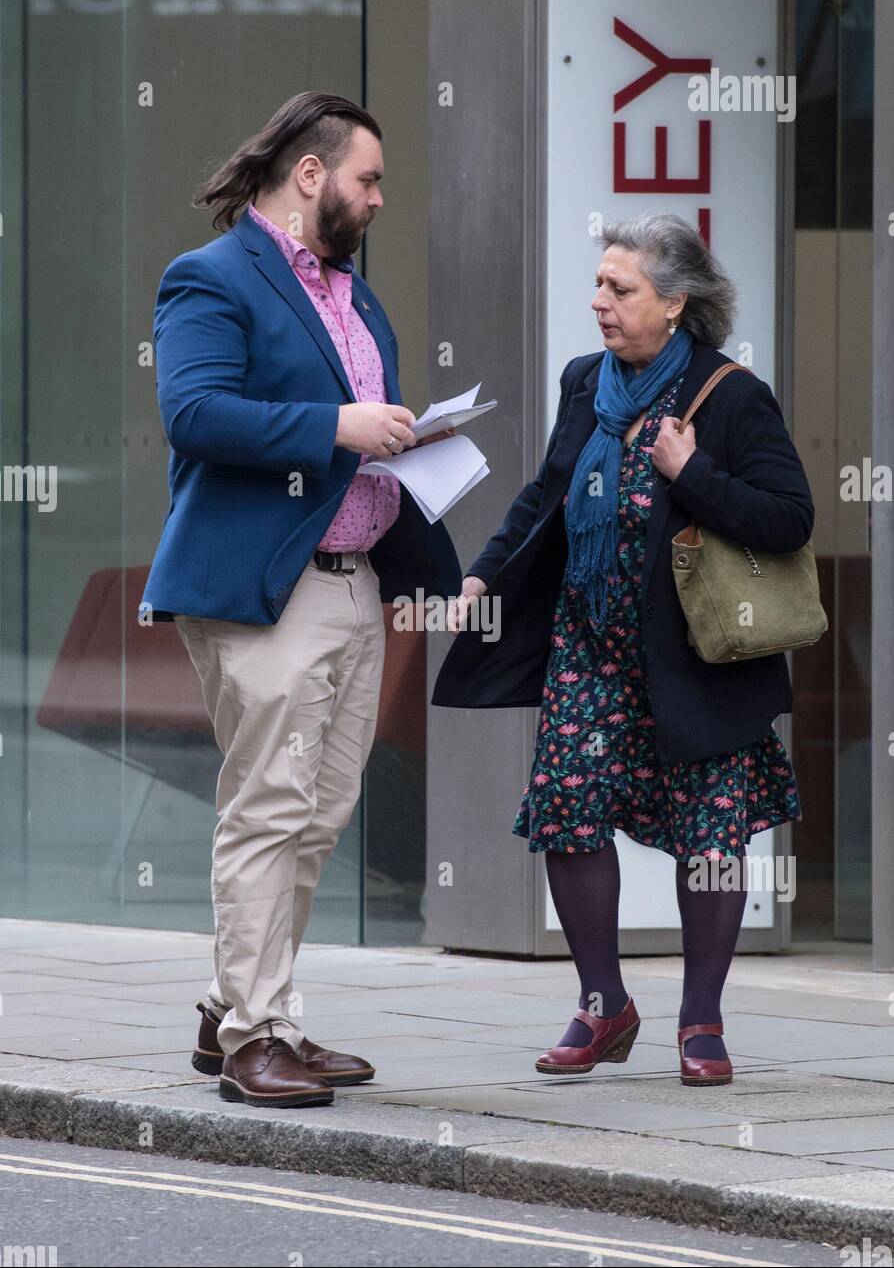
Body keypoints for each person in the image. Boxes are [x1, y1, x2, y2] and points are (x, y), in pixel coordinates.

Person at [433, 213, 815, 1086]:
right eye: (599, 284)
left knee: (710, 833)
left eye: (620, 288)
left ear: (675, 303)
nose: (598, 302)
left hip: (697, 655)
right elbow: (547, 495)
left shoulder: (730, 395)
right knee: (568, 810)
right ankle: (603, 1005)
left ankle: (702, 1021)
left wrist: (693, 475)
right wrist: (483, 577)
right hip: (589, 645)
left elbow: (790, 518)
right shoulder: (584, 384)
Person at [141, 92, 461, 1108]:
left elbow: (365, 436)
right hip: (267, 587)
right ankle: (254, 1038)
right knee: (269, 807)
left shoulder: (355, 300)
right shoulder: (212, 276)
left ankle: (239, 1002)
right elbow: (194, 412)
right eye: (367, 179)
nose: (377, 199)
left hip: (355, 582)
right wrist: (338, 426)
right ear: (312, 174)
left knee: (318, 814)